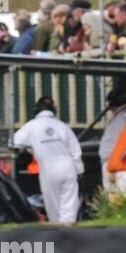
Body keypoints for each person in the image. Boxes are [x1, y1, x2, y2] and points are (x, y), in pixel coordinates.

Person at [12, 96, 83, 224]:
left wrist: (25, 151)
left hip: (48, 167)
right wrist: (79, 170)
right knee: (69, 201)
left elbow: (13, 142)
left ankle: (57, 231)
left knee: (52, 203)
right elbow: (75, 150)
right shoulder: (62, 125)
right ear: (54, 110)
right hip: (67, 165)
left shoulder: (31, 126)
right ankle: (70, 227)